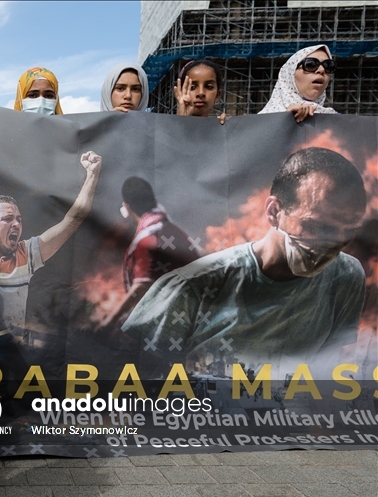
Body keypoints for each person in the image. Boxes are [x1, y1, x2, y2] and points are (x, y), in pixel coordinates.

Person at [123, 147, 366, 372]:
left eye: (347, 230)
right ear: (274, 212)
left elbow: (328, 372)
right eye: (316, 225)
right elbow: (141, 381)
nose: (332, 242)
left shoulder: (345, 277)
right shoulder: (194, 285)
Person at [0, 152, 103, 338]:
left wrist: (92, 174)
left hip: (10, 357)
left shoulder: (27, 253)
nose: (16, 224)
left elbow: (73, 219)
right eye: (8, 219)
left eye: (19, 220)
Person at [97, 177, 201, 330]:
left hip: (171, 325)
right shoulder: (174, 230)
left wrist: (110, 322)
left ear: (127, 207)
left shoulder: (148, 239)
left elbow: (142, 285)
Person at [259, 45, 337, 123]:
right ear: (290, 74)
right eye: (310, 65)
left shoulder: (336, 122)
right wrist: (284, 120)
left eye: (328, 66)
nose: (321, 70)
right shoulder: (262, 122)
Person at [173, 59, 227, 123]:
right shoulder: (161, 129)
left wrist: (227, 129)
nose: (201, 93)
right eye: (192, 87)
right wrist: (181, 121)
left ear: (217, 95)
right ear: (180, 92)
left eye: (209, 87)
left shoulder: (221, 129)